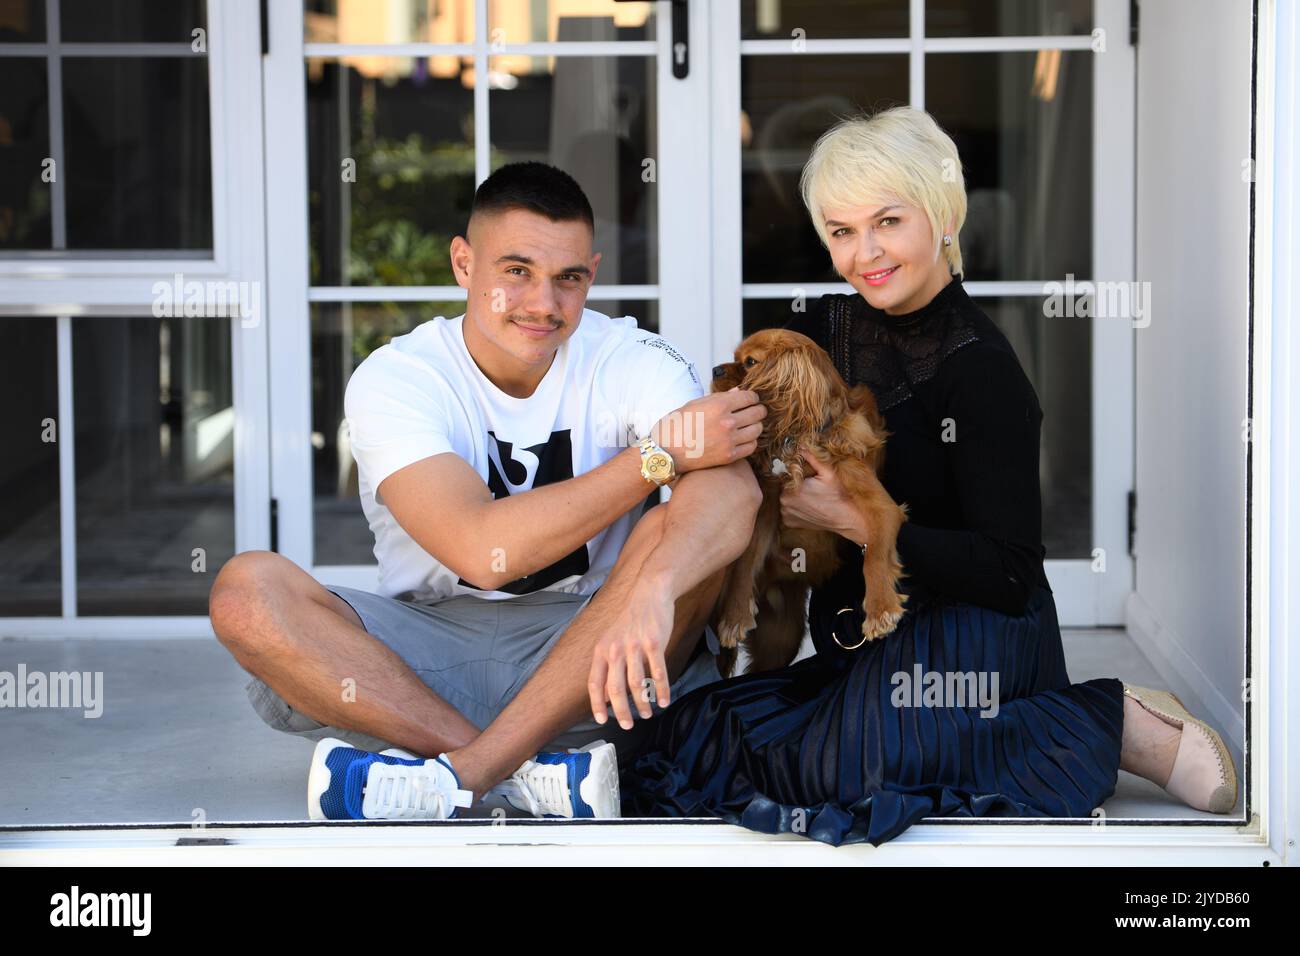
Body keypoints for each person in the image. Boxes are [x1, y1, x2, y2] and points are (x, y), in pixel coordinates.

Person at [619, 106, 1240, 846]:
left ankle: (1109, 718)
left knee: (857, 772)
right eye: (842, 232)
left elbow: (1009, 572)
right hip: (871, 643)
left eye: (888, 222)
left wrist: (854, 523)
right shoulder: (822, 334)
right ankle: (946, 725)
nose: (866, 253)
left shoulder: (981, 370)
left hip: (978, 630)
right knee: (691, 733)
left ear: (942, 216)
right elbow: (741, 438)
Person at [209, 162, 766, 820]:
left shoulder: (633, 358)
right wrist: (658, 456)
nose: (544, 305)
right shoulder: (400, 377)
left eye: (570, 279)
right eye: (517, 271)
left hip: (596, 652)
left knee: (673, 532)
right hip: (425, 659)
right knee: (247, 591)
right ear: (463, 264)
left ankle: (454, 775)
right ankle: (517, 774)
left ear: (592, 272)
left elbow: (734, 497)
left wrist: (657, 584)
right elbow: (479, 548)